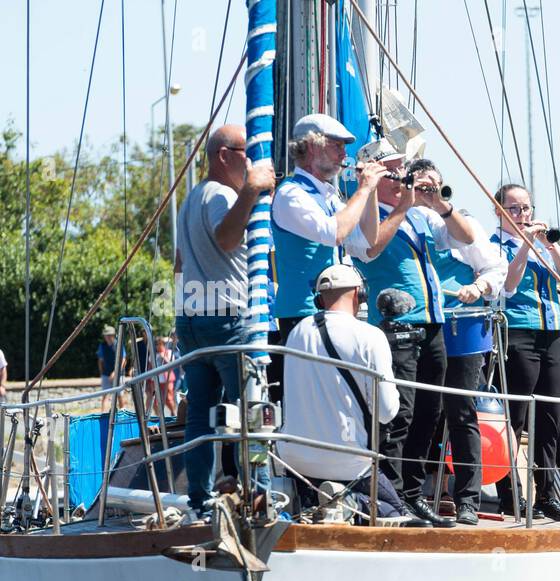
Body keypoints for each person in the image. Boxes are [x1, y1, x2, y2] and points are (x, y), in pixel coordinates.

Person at [344, 145, 476, 526]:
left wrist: (439, 204)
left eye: (402, 169)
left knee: (429, 414)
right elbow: (370, 249)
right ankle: (390, 495)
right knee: (399, 413)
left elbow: (465, 238)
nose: (402, 175)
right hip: (399, 327)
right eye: (394, 170)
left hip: (432, 323)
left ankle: (412, 493)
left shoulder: (419, 215)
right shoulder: (366, 214)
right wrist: (404, 205)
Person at [174, 124, 277, 513]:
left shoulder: (189, 200)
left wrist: (182, 311)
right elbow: (226, 239)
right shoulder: (220, 195)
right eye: (245, 152)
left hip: (193, 320)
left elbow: (180, 264)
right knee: (251, 409)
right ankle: (260, 495)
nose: (252, 161)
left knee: (200, 413)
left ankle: (199, 499)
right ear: (224, 155)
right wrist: (251, 190)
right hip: (228, 318)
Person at [278, 264, 428, 525]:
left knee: (317, 493)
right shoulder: (370, 335)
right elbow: (387, 412)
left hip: (293, 460)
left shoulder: (297, 331)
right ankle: (348, 504)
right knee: (396, 514)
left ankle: (317, 504)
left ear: (319, 298)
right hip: (347, 463)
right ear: (359, 294)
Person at [269, 113, 384, 403]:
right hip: (303, 312)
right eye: (336, 146)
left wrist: (368, 193)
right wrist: (365, 188)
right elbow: (333, 233)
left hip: (334, 311)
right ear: (312, 147)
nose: (343, 154)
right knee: (308, 399)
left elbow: (366, 241)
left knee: (334, 397)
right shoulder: (291, 194)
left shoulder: (330, 197)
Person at [491, 183, 560, 523]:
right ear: (500, 212)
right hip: (518, 332)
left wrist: (549, 244)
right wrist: (524, 246)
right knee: (514, 418)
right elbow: (509, 284)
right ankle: (510, 495)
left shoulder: (542, 247)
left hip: (550, 332)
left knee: (549, 415)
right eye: (514, 209)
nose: (522, 215)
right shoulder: (494, 246)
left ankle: (548, 495)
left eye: (526, 208)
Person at [423, 201, 508, 525]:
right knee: (421, 411)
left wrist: (478, 287)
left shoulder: (461, 222)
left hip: (465, 329)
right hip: (423, 325)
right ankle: (424, 492)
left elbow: (495, 268)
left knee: (461, 412)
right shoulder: (402, 220)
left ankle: (466, 500)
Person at [97, 326, 124, 413]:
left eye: (109, 335)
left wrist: (115, 372)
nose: (107, 337)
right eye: (106, 335)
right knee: (105, 395)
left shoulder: (119, 344)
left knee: (119, 395)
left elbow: (123, 360)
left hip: (118, 374)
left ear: (113, 335)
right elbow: (100, 360)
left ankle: (122, 413)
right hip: (106, 374)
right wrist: (102, 373)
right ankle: (103, 414)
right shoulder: (102, 346)